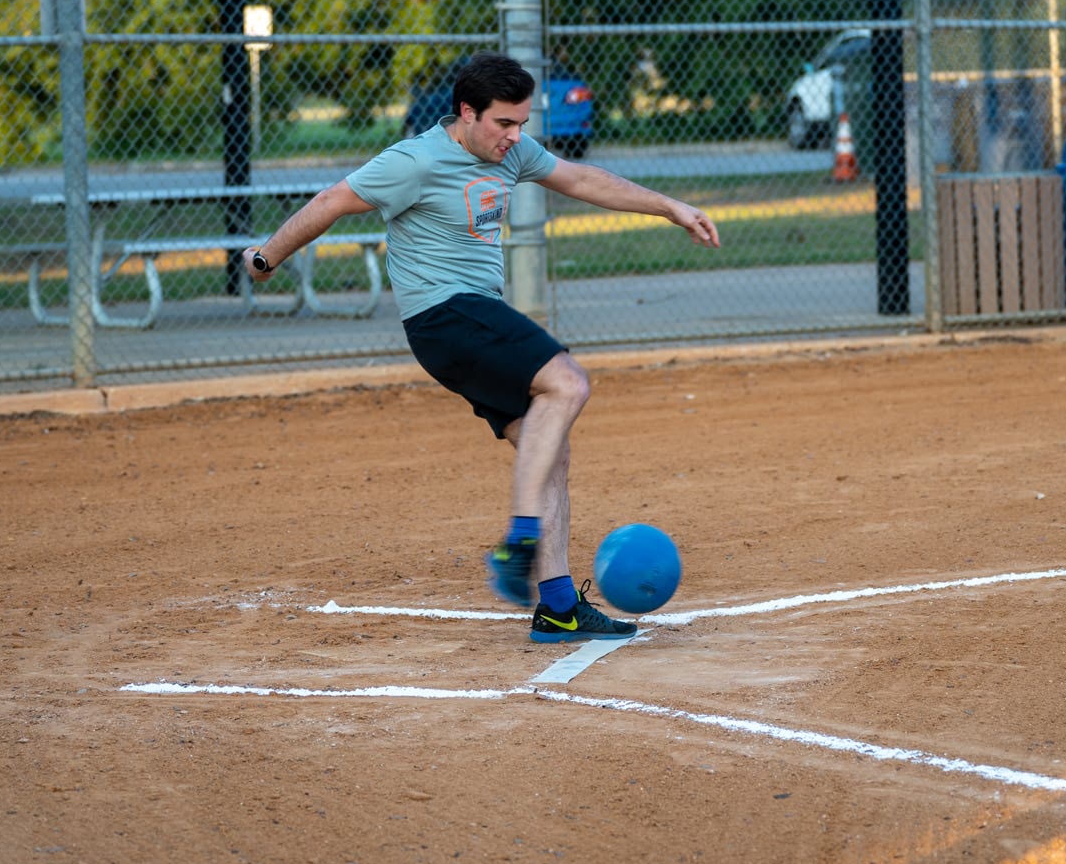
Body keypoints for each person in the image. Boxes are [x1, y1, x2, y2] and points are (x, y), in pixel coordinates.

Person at [243, 53, 719, 642]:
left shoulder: (511, 151)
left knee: (549, 450)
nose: (515, 138)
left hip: (470, 320)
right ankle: (518, 540)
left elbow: (578, 178)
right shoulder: (414, 160)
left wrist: (670, 207)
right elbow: (330, 202)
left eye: (521, 124)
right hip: (445, 314)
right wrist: (265, 259)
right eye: (503, 124)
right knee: (568, 383)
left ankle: (557, 607)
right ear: (466, 113)